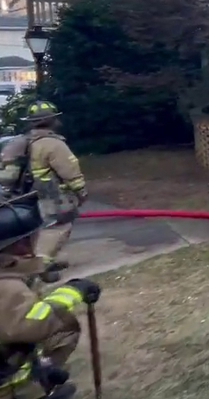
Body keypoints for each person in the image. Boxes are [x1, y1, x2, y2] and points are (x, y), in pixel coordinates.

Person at [0, 190, 100, 399]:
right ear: (21, 244)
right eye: (31, 239)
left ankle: (39, 372)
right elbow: (34, 322)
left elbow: (15, 264)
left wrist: (41, 265)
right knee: (61, 330)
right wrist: (73, 292)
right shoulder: (6, 287)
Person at [0, 101, 87, 280]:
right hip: (51, 196)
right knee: (57, 229)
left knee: (33, 232)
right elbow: (70, 171)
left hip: (21, 198)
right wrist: (81, 192)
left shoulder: (19, 142)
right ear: (53, 120)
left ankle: (33, 263)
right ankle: (39, 270)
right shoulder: (53, 144)